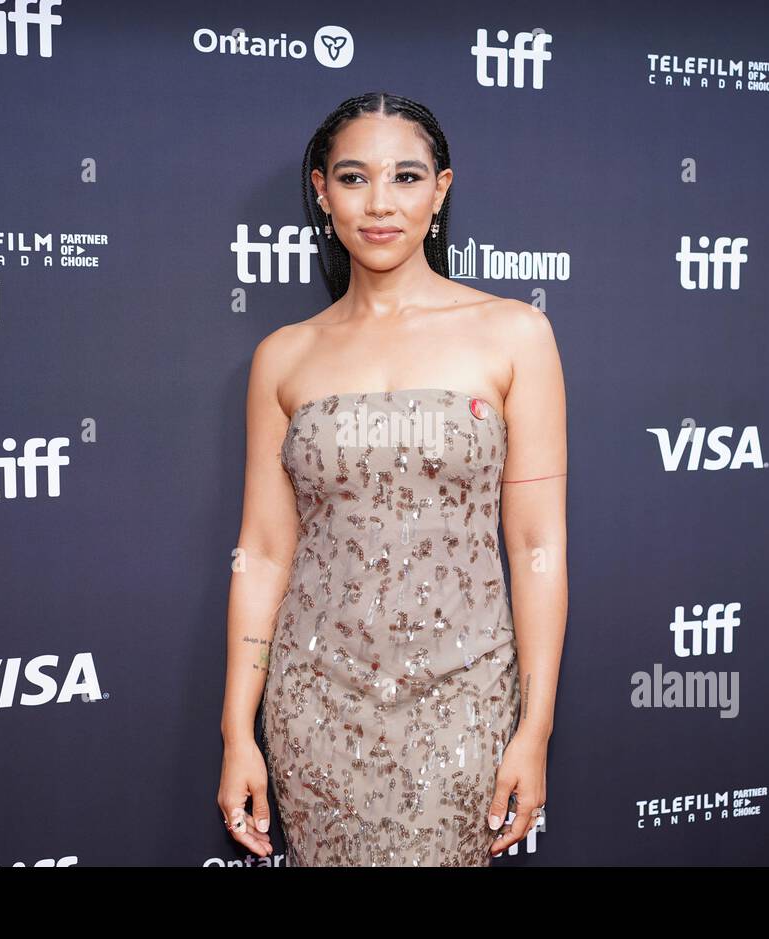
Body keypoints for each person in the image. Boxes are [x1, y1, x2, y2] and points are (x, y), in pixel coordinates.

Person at [217, 91, 568, 866]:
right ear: (321, 191)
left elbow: (537, 545)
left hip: (464, 700)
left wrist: (533, 727)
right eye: (353, 178)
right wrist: (237, 731)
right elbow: (266, 552)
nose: (380, 203)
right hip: (314, 706)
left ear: (441, 189)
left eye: (406, 177)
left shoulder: (514, 334)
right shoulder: (285, 355)